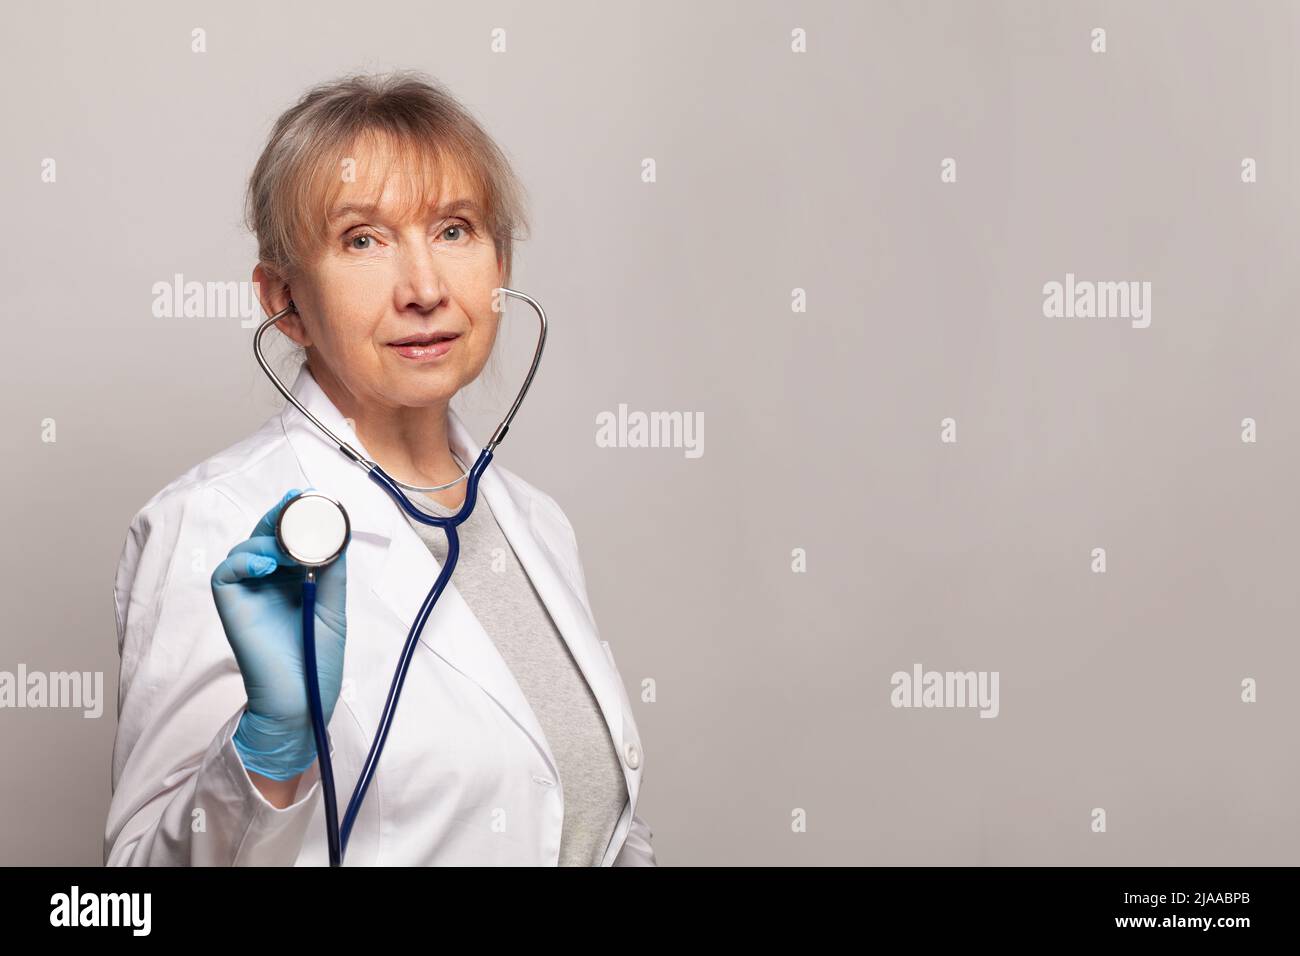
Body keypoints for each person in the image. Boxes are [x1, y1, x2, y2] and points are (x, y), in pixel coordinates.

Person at [104, 71, 656, 866]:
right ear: (284, 298)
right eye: (363, 239)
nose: (425, 288)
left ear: (500, 263)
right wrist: (267, 753)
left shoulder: (534, 522)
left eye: (456, 229)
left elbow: (598, 826)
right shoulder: (212, 525)